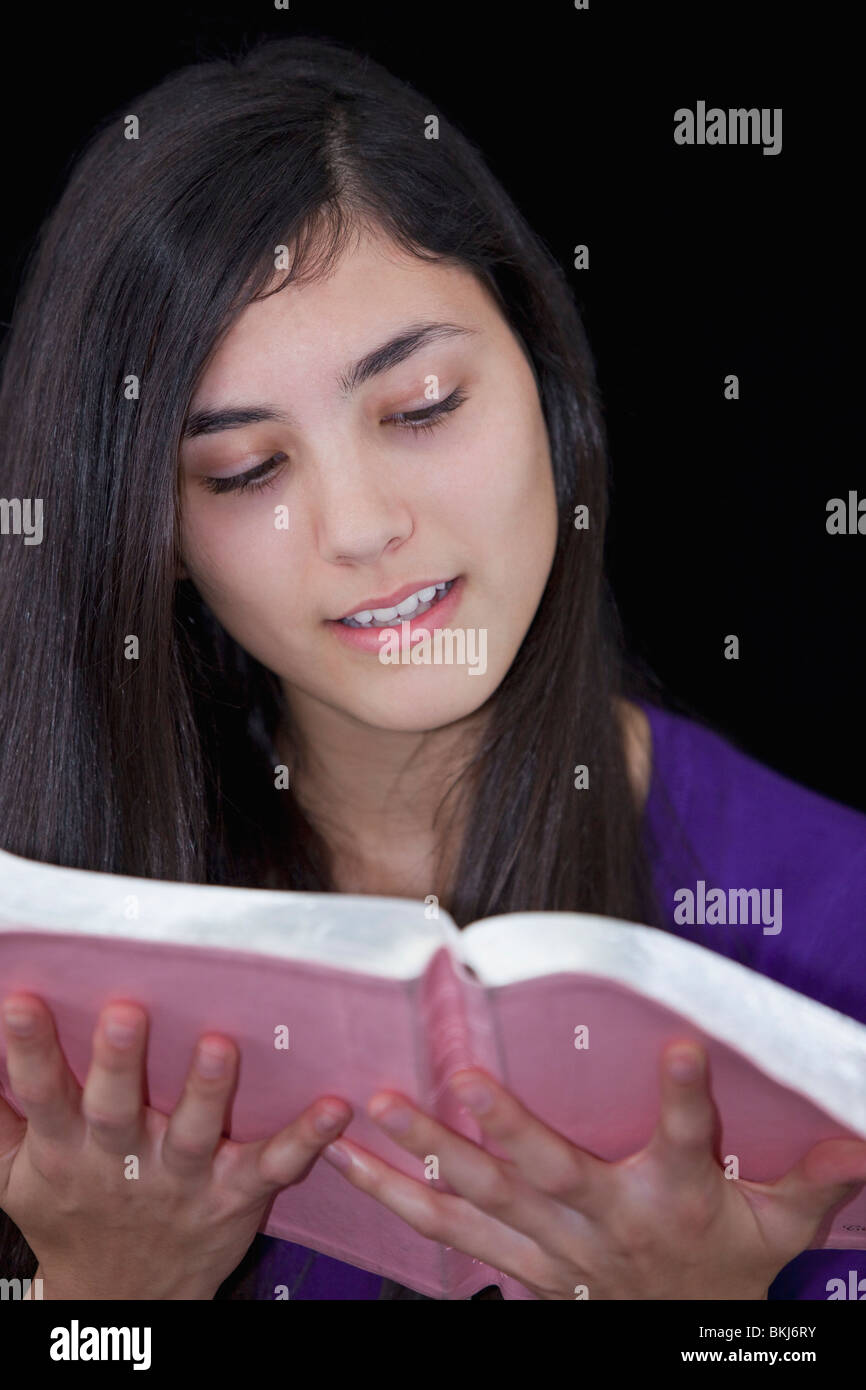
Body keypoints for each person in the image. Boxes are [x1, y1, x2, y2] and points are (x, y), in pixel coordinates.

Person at [0, 35, 863, 1302]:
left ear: (545, 384)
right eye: (242, 473)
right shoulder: (44, 961)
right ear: (159, 535)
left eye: (419, 406)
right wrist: (103, 1299)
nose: (357, 526)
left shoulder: (827, 923)